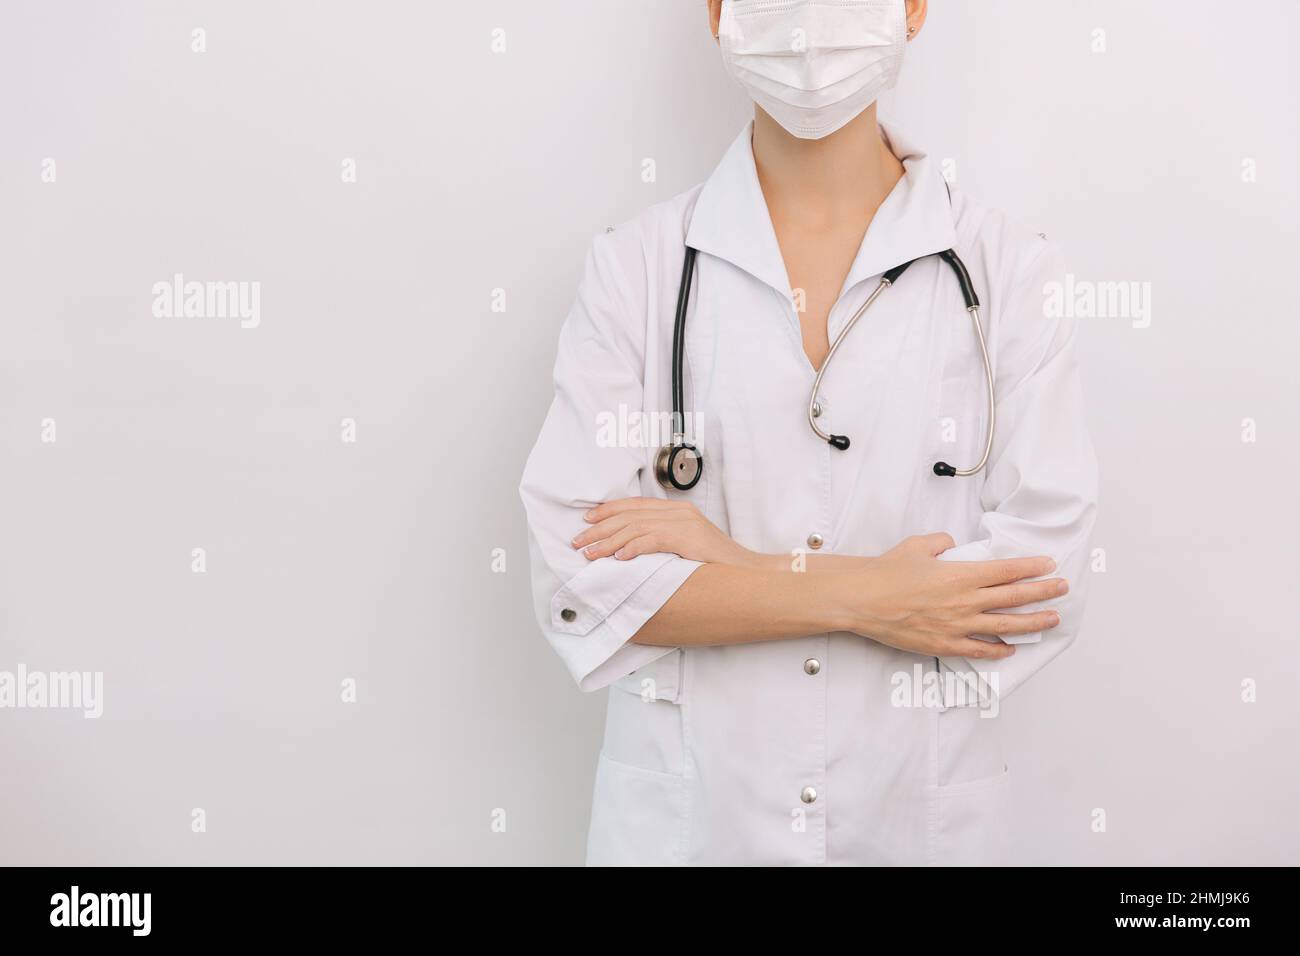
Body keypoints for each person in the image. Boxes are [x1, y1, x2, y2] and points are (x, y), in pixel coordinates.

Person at [519, 0, 1097, 866]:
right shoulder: (634, 268)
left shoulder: (1011, 271)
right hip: (693, 829)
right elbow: (577, 582)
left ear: (912, 7)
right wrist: (878, 595)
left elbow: (1040, 588)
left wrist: (735, 565)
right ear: (717, 10)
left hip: (917, 821)